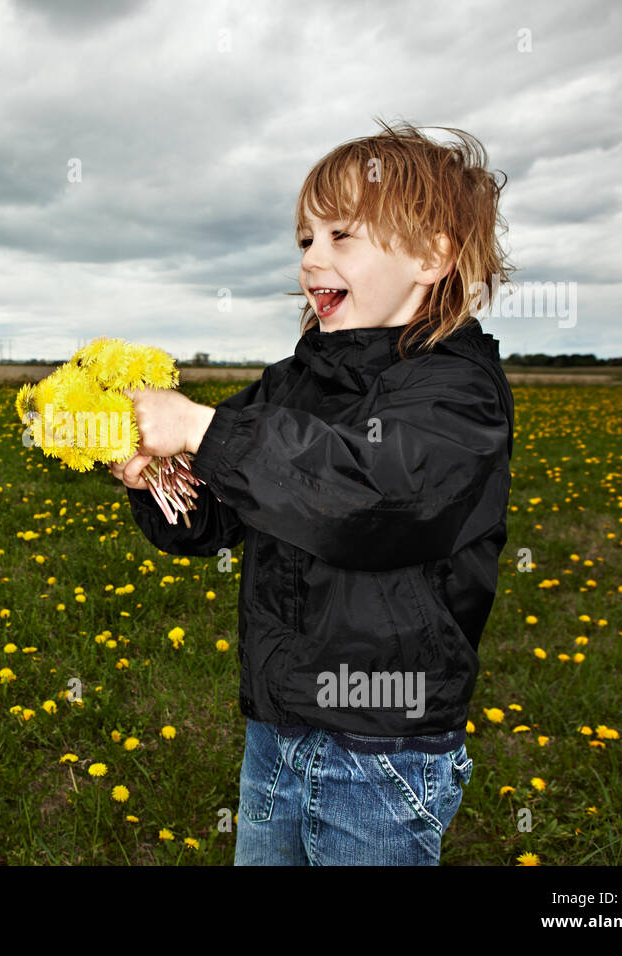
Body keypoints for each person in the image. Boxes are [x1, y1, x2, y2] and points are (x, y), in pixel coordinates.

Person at [111, 120, 515, 865]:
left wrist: (205, 431)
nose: (311, 260)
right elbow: (213, 520)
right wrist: (161, 481)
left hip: (386, 749)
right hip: (278, 729)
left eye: (340, 236)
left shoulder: (458, 394)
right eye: (304, 241)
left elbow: (369, 499)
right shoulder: (293, 383)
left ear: (430, 256)